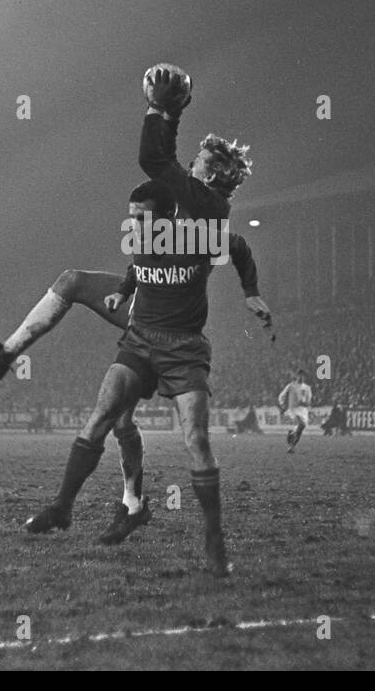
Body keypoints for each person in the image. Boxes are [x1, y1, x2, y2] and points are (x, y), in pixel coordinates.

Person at [22, 69, 252, 576]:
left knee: (196, 440)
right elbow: (147, 237)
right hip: (143, 333)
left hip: (182, 344)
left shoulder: (208, 207)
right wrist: (126, 288)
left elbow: (155, 161)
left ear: (213, 173)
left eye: (199, 162)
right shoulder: (187, 210)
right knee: (102, 418)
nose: (190, 166)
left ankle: (214, 542)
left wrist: (165, 112)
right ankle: (63, 508)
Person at [278, 368, 312, 452]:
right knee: (301, 425)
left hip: (303, 411)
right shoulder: (291, 385)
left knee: (300, 429)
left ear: (304, 377)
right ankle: (292, 439)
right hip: (293, 410)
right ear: (296, 376)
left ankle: (292, 443)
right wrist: (282, 404)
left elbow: (309, 402)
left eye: (302, 376)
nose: (301, 377)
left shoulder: (307, 388)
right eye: (299, 375)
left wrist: (304, 403)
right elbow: (282, 395)